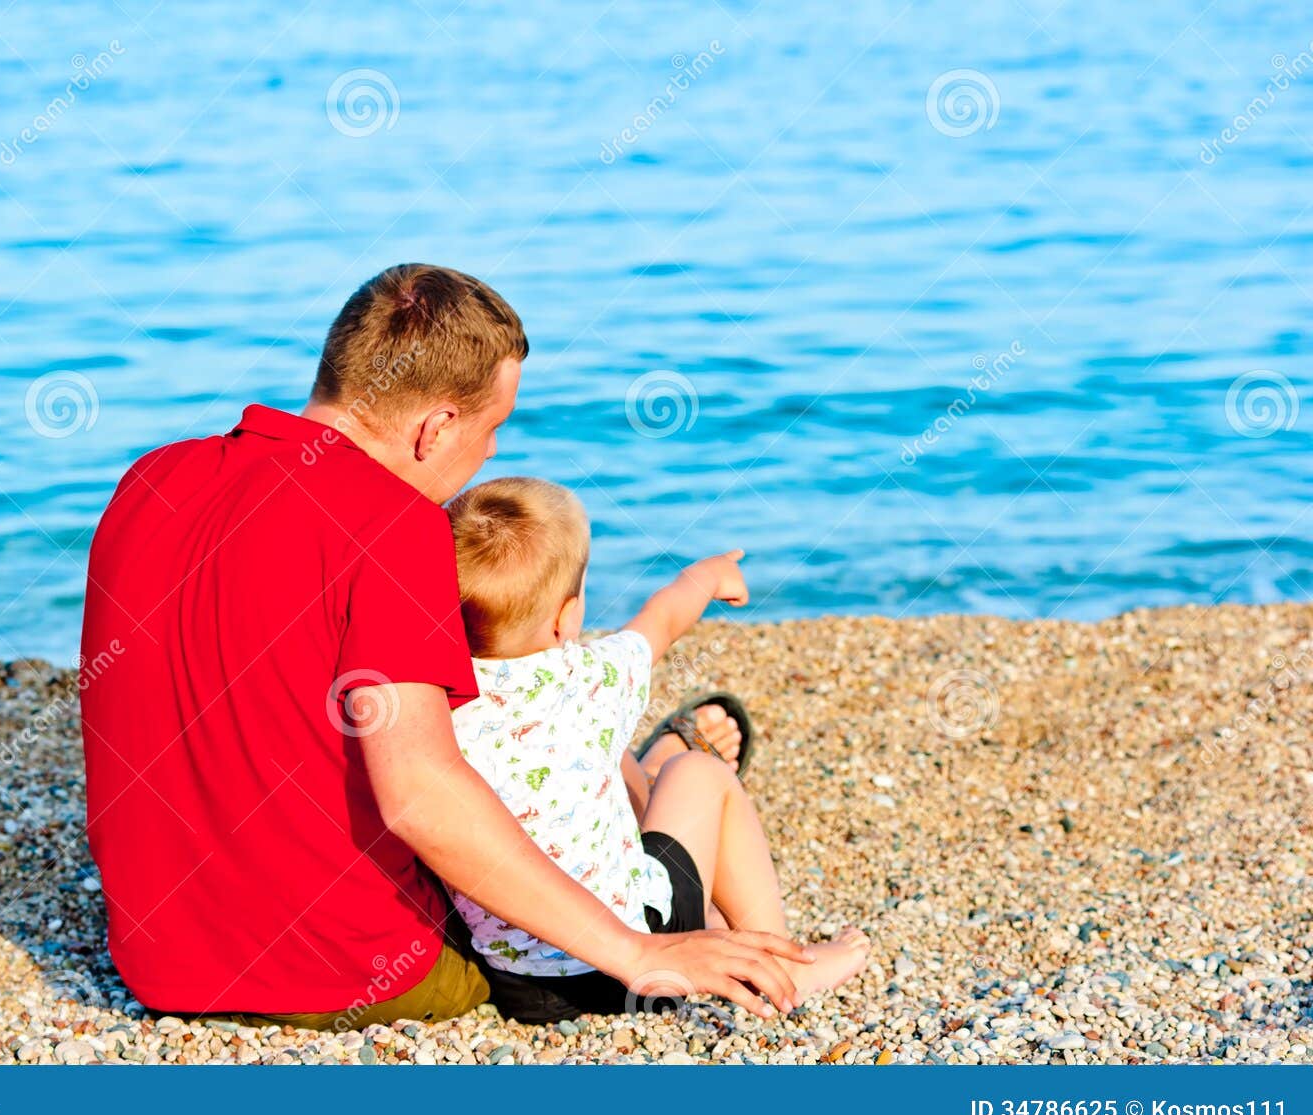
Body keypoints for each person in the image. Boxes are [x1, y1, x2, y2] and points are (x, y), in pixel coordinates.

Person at [80, 263, 815, 1028]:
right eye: (493, 426)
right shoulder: (394, 525)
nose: (494, 452)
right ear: (435, 427)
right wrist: (637, 952)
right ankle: (646, 773)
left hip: (159, 959)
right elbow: (421, 794)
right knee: (518, 806)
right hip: (350, 968)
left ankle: (633, 764)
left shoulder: (153, 477)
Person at [445, 476, 870, 1023]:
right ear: (565, 616)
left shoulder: (434, 703)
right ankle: (781, 963)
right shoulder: (592, 676)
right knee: (698, 772)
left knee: (609, 758)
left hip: (521, 988)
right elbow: (664, 618)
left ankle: (715, 917)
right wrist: (707, 574)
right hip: (640, 966)